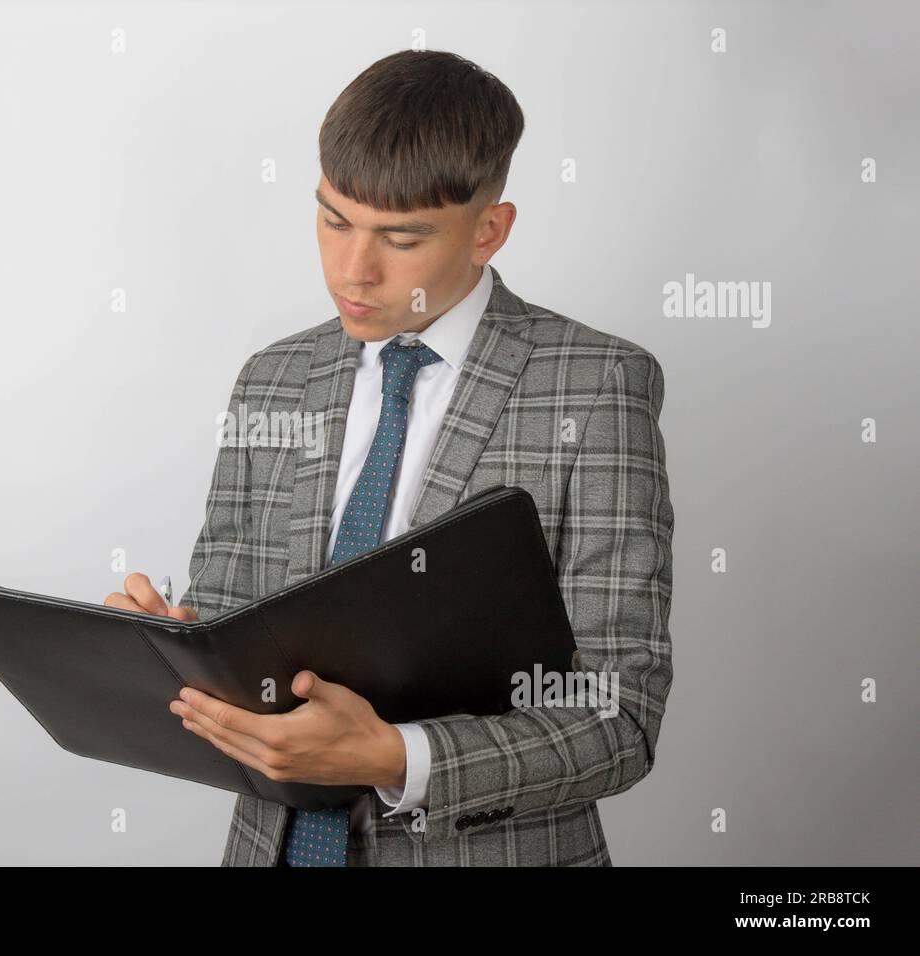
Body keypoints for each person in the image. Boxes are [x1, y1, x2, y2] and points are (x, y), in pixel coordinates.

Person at [104, 49, 674, 867]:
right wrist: (169, 649)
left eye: (400, 238)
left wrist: (395, 758)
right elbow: (230, 624)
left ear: (490, 231)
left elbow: (620, 719)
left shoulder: (596, 387)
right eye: (333, 220)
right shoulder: (273, 379)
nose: (351, 269)